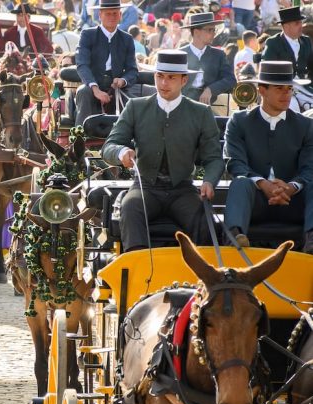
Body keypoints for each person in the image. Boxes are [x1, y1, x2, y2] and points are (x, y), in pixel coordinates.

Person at [102, 50, 225, 251]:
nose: (163, 83)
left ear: (184, 80)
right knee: (130, 208)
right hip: (145, 187)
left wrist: (209, 181)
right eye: (159, 76)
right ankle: (138, 263)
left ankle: (201, 267)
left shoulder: (201, 112)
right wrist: (121, 152)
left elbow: (214, 158)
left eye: (171, 78)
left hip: (183, 189)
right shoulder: (135, 107)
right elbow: (110, 145)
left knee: (205, 221)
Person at [223, 61, 313, 253]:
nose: (286, 94)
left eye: (289, 89)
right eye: (279, 88)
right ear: (262, 90)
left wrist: (291, 187)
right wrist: (263, 184)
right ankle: (235, 239)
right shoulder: (239, 122)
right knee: (240, 182)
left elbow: (309, 168)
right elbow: (235, 163)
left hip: (292, 201)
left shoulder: (305, 125)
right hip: (255, 201)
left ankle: (311, 243)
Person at [74, 0, 137, 126]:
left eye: (115, 13)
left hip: (116, 89)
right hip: (92, 86)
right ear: (100, 15)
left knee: (135, 104)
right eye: (108, 14)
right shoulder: (87, 35)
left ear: (120, 15)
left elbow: (132, 70)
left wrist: (123, 80)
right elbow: (82, 64)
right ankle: (80, 135)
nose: (112, 17)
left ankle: (129, 137)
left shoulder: (127, 39)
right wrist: (95, 89)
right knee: (83, 92)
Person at [180, 12, 236, 105]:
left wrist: (211, 89)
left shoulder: (219, 55)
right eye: (210, 30)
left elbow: (230, 79)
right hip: (182, 104)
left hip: (209, 105)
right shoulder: (180, 54)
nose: (214, 34)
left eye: (214, 30)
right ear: (196, 32)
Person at [262, 7, 310, 81]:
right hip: (282, 84)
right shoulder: (273, 42)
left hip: (304, 84)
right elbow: (268, 69)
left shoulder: (306, 41)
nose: (301, 26)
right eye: (297, 23)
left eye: (301, 22)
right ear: (286, 26)